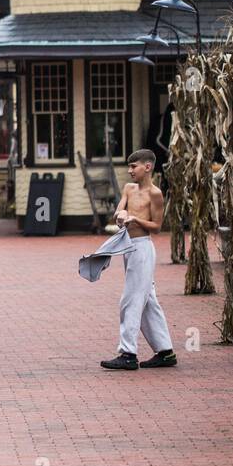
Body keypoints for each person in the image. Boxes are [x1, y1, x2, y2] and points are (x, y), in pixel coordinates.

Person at [100, 149, 176, 370]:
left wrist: (136, 219)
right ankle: (166, 351)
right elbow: (119, 210)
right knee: (148, 301)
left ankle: (128, 353)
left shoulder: (155, 194)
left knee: (131, 300)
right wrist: (121, 215)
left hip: (142, 249)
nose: (129, 170)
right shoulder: (128, 188)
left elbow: (158, 227)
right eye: (129, 166)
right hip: (127, 247)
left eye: (134, 166)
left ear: (148, 167)